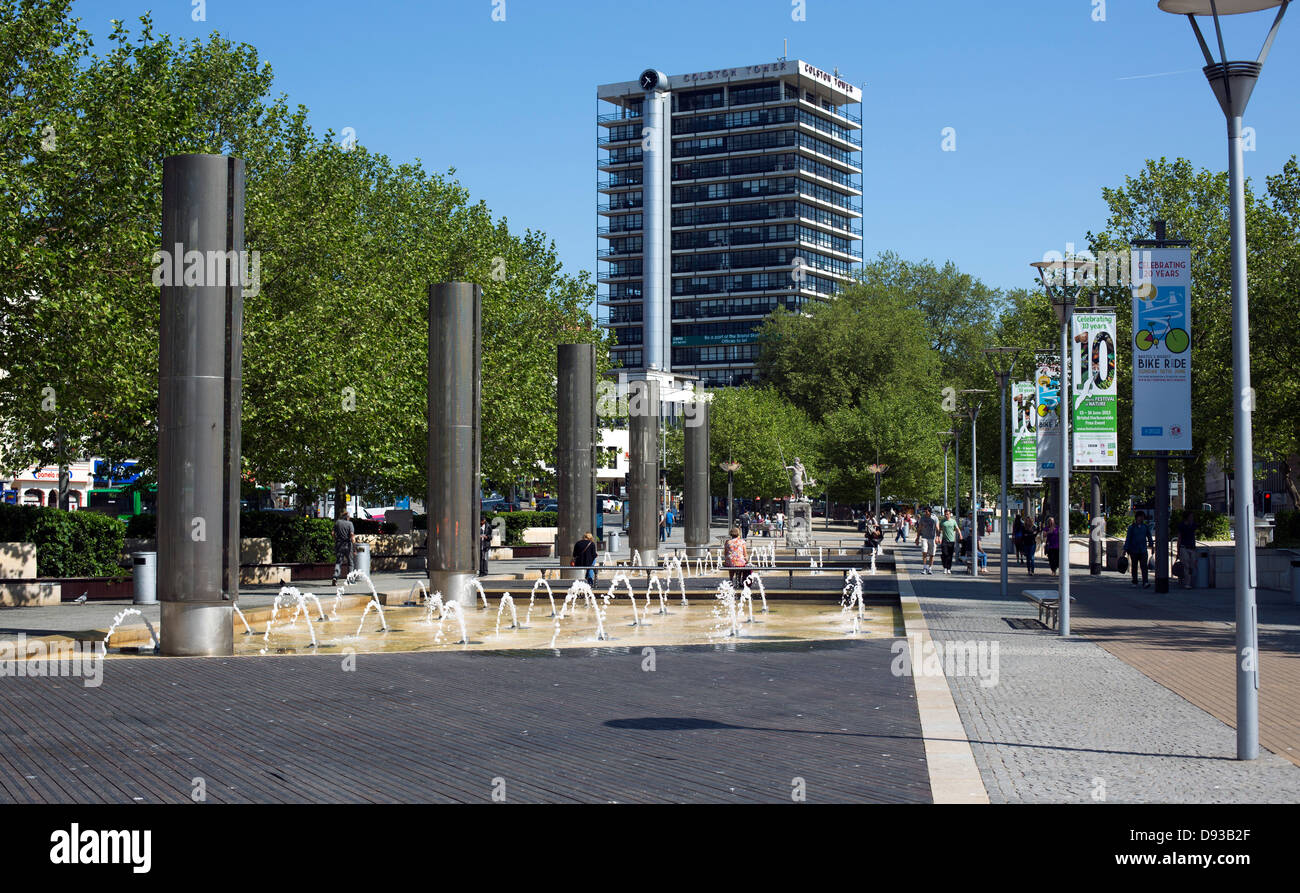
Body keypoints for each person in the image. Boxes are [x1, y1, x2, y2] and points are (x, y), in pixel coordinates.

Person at [1124, 511, 1155, 588]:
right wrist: (1125, 549)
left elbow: (1149, 536)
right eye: (1140, 517)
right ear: (1136, 517)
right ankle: (1135, 581)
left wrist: (1151, 545)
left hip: (1143, 550)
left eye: (1143, 517)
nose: (1141, 518)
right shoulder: (1131, 527)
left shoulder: (1145, 527)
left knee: (1144, 566)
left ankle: (1145, 582)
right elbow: (1128, 539)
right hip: (1133, 550)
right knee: (1134, 566)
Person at [332, 510, 355, 585]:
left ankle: (335, 576)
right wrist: (354, 547)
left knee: (338, 562)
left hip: (339, 544)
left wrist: (336, 540)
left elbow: (332, 533)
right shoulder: (350, 524)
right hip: (348, 545)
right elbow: (352, 535)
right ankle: (350, 579)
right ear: (347, 517)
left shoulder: (338, 522)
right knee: (350, 562)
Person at [914, 506, 939, 575]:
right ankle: (924, 567)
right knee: (924, 552)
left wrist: (938, 537)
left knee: (932, 554)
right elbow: (919, 528)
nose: (925, 513)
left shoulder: (934, 518)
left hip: (932, 538)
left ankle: (930, 568)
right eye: (925, 511)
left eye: (926, 511)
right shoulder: (923, 518)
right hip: (924, 537)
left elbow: (937, 528)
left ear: (930, 512)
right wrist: (917, 538)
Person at [1177, 510, 1198, 590]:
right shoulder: (1182, 526)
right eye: (1190, 516)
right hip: (1184, 547)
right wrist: (1178, 549)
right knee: (1186, 565)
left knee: (1192, 565)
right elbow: (1179, 538)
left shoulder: (1193, 525)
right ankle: (1187, 583)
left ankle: (1188, 581)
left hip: (1192, 547)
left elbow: (1194, 536)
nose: (1192, 518)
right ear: (1187, 517)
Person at [938, 508, 961, 574]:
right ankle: (945, 567)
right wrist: (938, 537)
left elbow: (957, 529)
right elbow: (939, 530)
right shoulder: (942, 521)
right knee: (945, 554)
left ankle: (949, 568)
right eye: (945, 514)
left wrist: (960, 535)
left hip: (951, 540)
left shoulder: (953, 521)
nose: (946, 515)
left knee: (950, 555)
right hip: (944, 540)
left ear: (950, 514)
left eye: (947, 514)